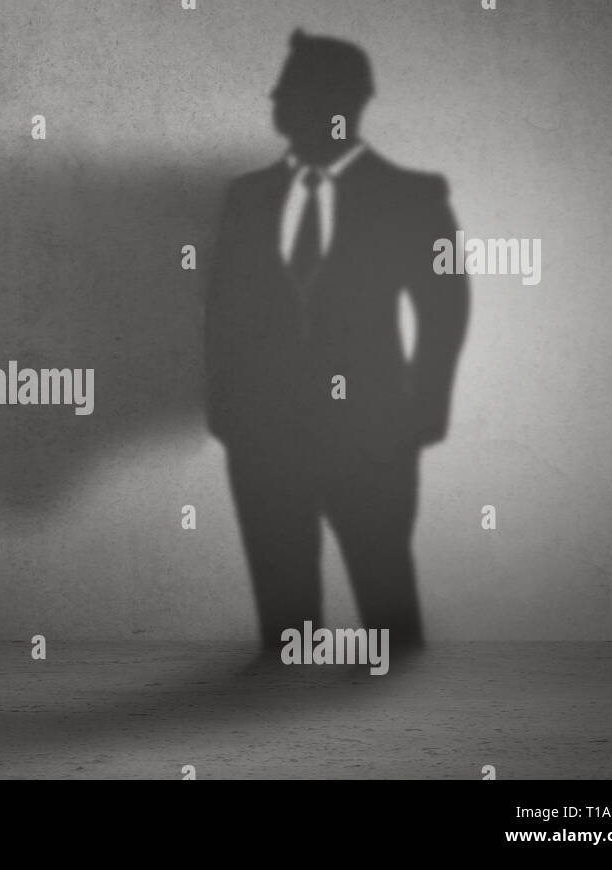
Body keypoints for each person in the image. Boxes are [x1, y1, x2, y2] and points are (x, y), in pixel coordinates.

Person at [204, 29, 470, 654]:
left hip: (373, 433)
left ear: (338, 100)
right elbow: (221, 312)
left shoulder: (413, 197)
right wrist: (226, 413)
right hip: (262, 438)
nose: (273, 96)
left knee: (387, 608)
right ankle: (284, 735)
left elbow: (445, 309)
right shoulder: (246, 198)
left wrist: (424, 414)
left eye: (289, 85)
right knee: (284, 622)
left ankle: (404, 732)